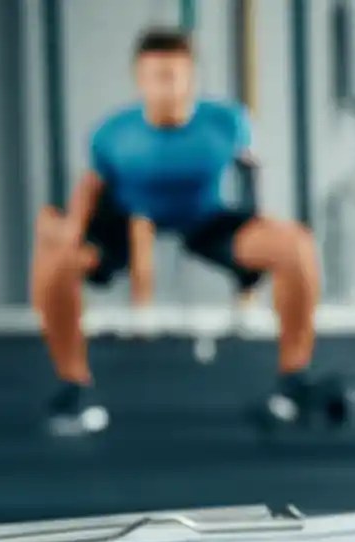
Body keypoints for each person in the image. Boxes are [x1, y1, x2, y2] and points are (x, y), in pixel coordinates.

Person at [30, 28, 323, 435]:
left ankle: (294, 380)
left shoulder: (227, 122)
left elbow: (252, 172)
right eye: (154, 76)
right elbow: (91, 187)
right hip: (127, 221)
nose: (164, 86)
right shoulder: (113, 133)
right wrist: (71, 233)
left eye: (173, 75)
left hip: (203, 219)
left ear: (192, 78)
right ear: (139, 80)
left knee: (296, 244)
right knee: (54, 259)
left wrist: (262, 225)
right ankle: (73, 386)